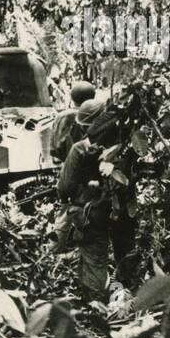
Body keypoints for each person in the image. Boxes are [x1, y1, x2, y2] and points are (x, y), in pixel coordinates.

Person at [57, 97, 137, 303]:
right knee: (124, 255)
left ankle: (98, 304)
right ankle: (124, 293)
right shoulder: (127, 147)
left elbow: (64, 187)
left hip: (91, 212)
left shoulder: (80, 149)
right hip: (123, 211)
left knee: (94, 260)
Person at [49, 81, 97, 163]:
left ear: (72, 98)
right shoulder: (95, 117)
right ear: (92, 99)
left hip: (63, 162)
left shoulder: (61, 116)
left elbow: (53, 146)